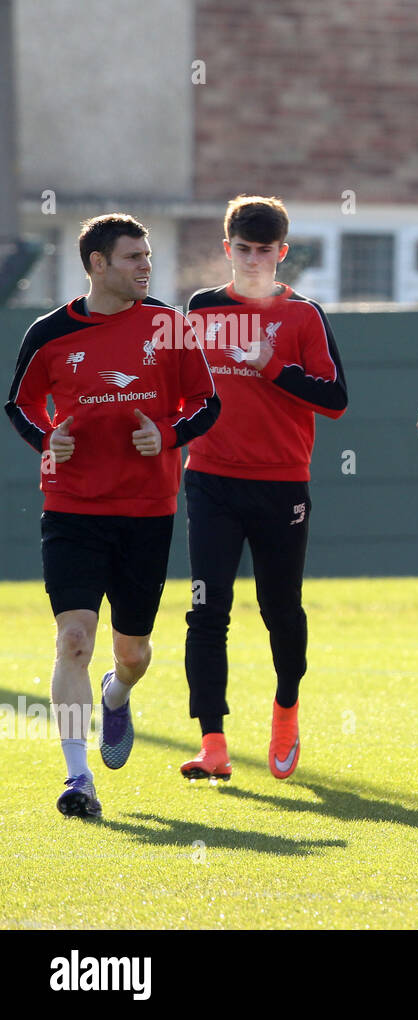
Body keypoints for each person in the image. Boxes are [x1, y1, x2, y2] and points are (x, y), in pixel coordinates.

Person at [4, 213, 220, 817]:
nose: (146, 266)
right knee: (73, 639)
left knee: (133, 652)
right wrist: (49, 440)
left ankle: (118, 694)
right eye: (133, 258)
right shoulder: (48, 333)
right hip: (71, 508)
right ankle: (78, 780)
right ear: (97, 264)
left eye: (148, 256)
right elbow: (19, 403)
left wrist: (168, 435)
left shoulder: (170, 328)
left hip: (146, 510)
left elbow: (207, 403)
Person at [178, 196, 347, 783]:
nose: (253, 260)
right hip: (210, 481)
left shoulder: (305, 316)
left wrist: (272, 365)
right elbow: (181, 390)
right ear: (228, 249)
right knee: (206, 611)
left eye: (264, 251)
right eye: (243, 249)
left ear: (283, 253)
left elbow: (335, 400)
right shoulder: (199, 309)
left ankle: (285, 710)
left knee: (279, 609)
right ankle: (213, 743)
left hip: (281, 486)